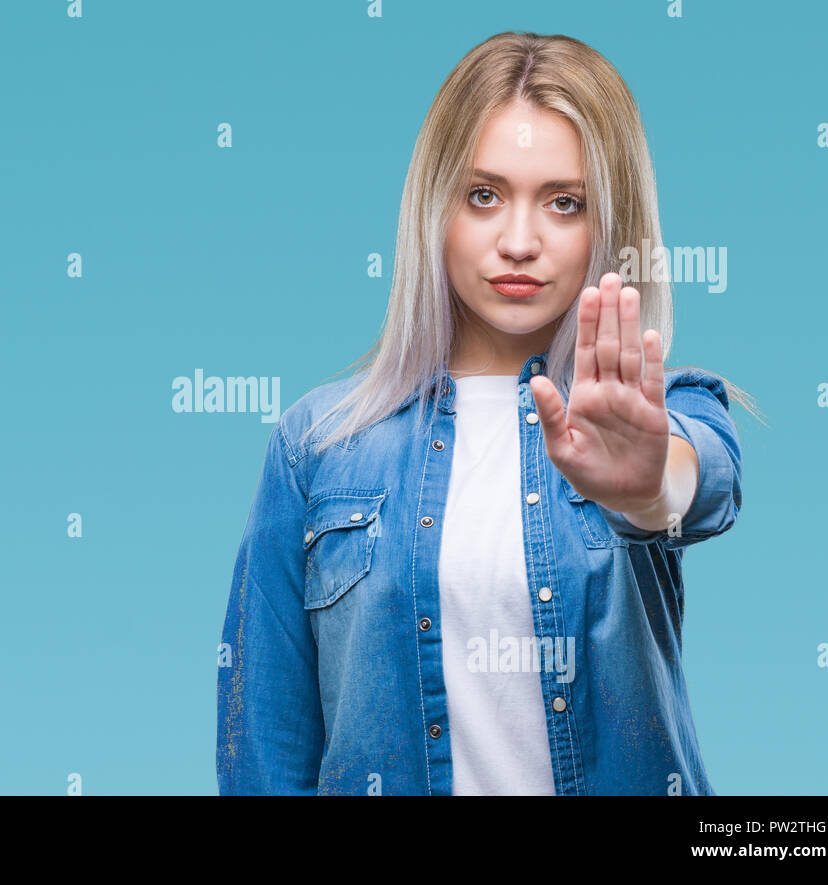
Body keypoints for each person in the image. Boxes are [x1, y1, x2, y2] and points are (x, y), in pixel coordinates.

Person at [215, 31, 758, 796]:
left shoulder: (665, 410)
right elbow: (265, 751)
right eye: (484, 195)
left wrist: (644, 489)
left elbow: (699, 481)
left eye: (565, 203)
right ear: (435, 207)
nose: (519, 241)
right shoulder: (317, 445)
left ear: (611, 225)